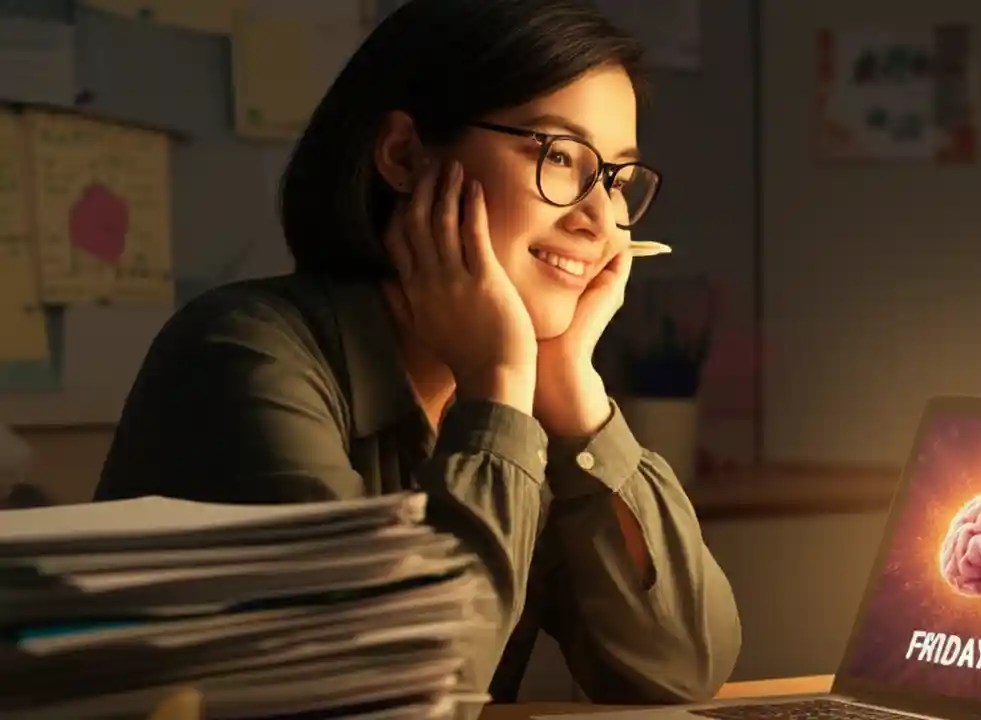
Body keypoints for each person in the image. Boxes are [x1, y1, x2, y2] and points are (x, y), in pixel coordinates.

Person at [94, 0, 741, 705]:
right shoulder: (241, 354)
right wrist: (499, 385)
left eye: (616, 178)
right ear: (404, 155)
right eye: (559, 156)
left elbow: (680, 665)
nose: (598, 220)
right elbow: (395, 692)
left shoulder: (522, 396)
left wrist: (575, 396)